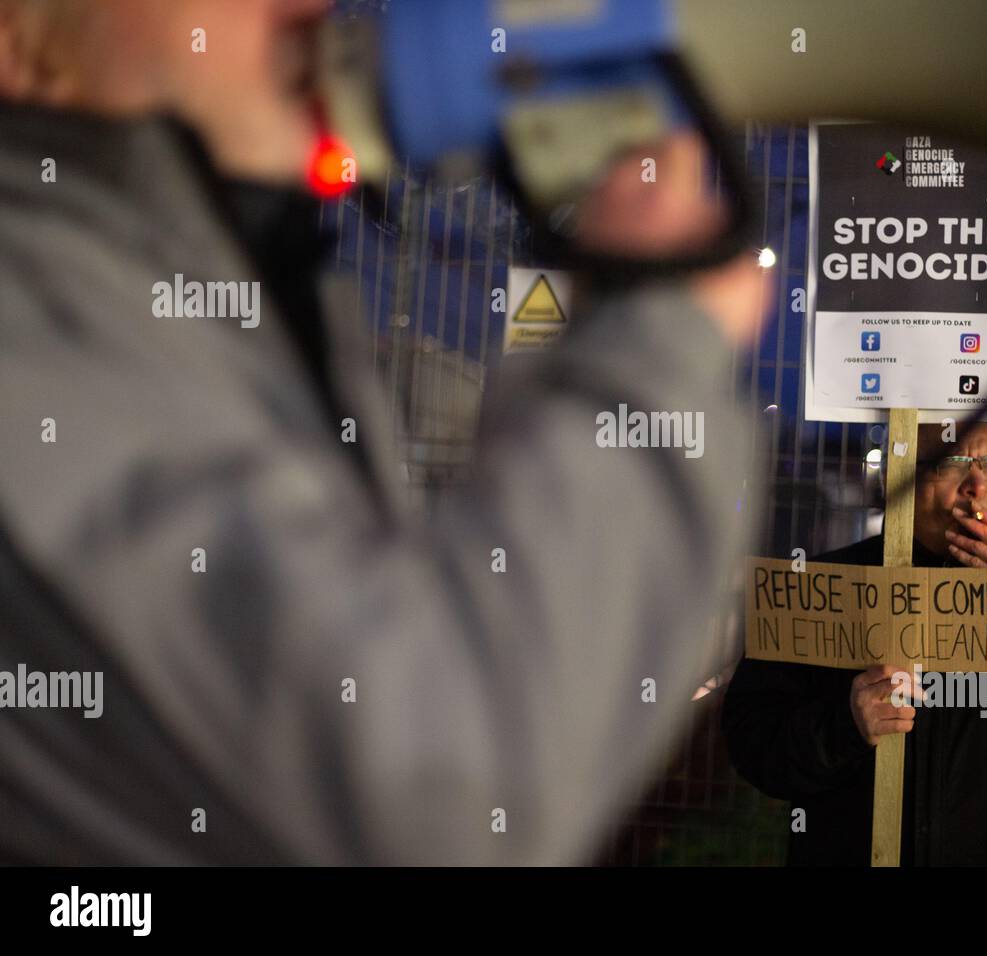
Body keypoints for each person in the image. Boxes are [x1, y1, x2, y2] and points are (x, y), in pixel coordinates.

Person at [0, 0, 773, 863]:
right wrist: (657, 347)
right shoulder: (34, 323)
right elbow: (439, 796)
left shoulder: (219, 294)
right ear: (19, 47)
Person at [721, 422, 987, 865]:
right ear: (899, 475)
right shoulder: (826, 588)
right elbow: (752, 740)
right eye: (952, 463)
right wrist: (843, 728)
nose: (976, 485)